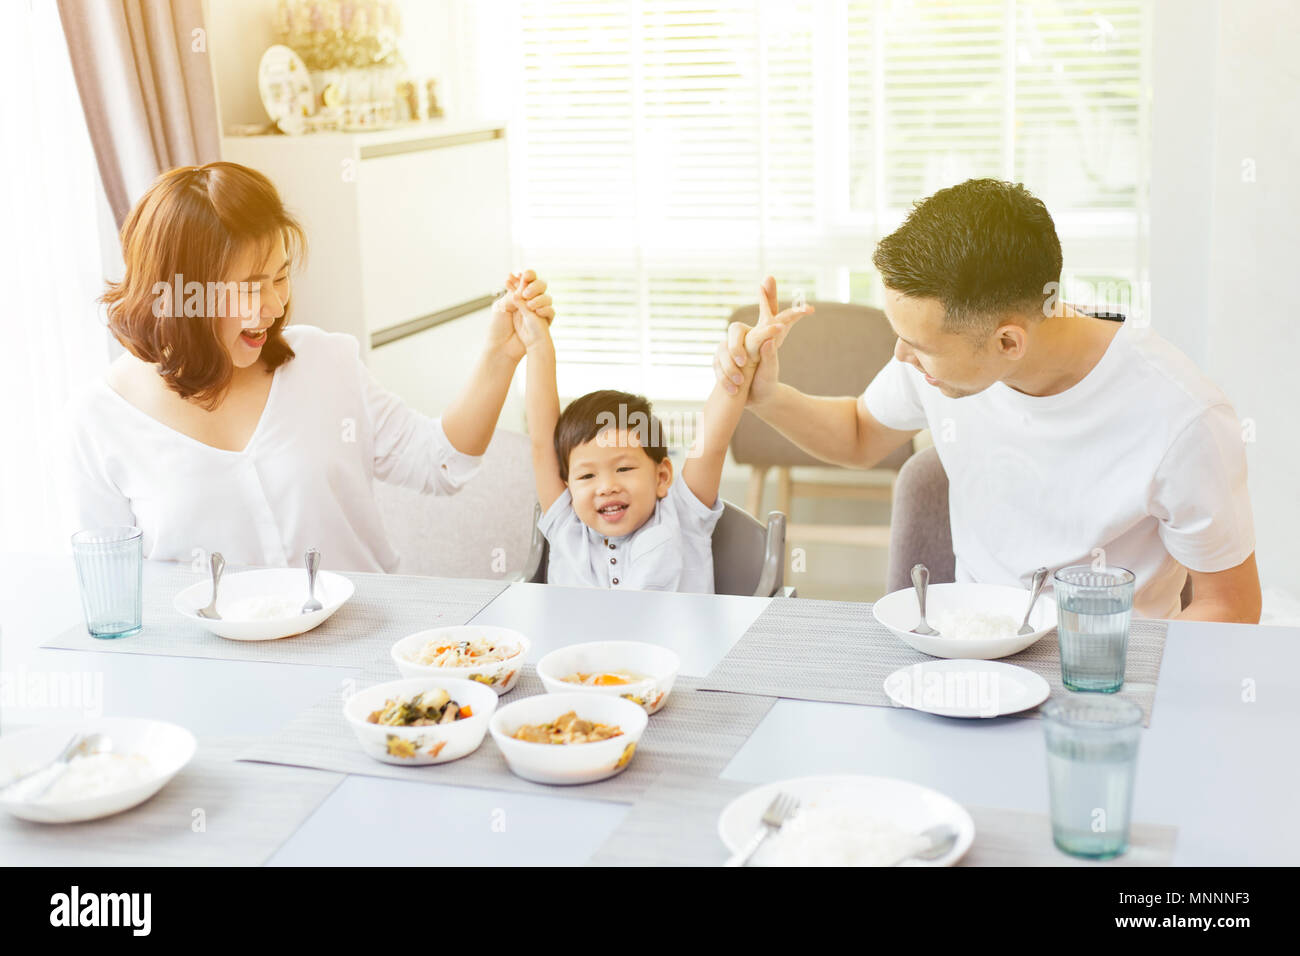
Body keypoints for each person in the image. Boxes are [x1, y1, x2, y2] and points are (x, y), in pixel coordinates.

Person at [713, 179, 1260, 622]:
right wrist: (767, 396)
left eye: (920, 345)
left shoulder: (1183, 418)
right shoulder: (937, 363)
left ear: (1007, 342)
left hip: (1097, 679)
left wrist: (1113, 676)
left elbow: (1228, 605)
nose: (902, 356)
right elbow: (859, 434)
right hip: (964, 654)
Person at [64, 162, 553, 572]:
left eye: (280, 278)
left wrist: (500, 355)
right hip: (213, 673)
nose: (274, 305)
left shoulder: (323, 362)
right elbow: (112, 591)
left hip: (366, 648)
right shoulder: (102, 420)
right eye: (250, 289)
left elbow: (439, 462)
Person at [509, 276, 802, 592]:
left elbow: (712, 443)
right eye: (586, 477)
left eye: (623, 468)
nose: (606, 487)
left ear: (662, 476)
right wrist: (538, 343)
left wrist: (743, 365)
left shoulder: (683, 516)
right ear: (566, 485)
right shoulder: (566, 523)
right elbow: (542, 441)